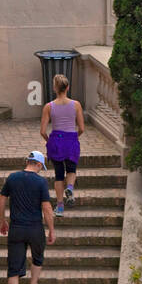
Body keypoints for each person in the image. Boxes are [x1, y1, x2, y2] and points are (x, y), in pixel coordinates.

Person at [0, 150, 55, 284]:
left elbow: (1, 200)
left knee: (13, 269)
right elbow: (47, 208)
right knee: (38, 257)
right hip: (35, 228)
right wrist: (51, 229)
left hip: (16, 228)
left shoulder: (13, 178)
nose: (40, 170)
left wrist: (2, 220)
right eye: (41, 166)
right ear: (37, 164)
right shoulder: (41, 182)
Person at [41, 73, 84, 215]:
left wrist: (50, 141)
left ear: (55, 88)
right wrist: (74, 137)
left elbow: (42, 131)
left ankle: (59, 207)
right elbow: (82, 128)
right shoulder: (76, 105)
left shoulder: (49, 106)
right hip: (71, 139)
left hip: (56, 141)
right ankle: (70, 188)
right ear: (68, 87)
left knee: (59, 175)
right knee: (71, 170)